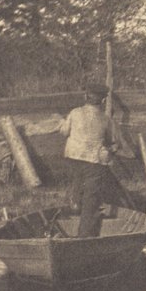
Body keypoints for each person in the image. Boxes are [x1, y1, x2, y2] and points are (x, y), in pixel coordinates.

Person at [59, 81, 122, 237]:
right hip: (94, 160)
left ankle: (74, 203)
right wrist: (112, 149)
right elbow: (113, 141)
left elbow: (64, 132)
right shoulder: (105, 119)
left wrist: (61, 124)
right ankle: (84, 235)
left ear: (85, 96)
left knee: (78, 183)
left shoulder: (74, 113)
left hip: (73, 156)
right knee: (91, 198)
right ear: (102, 101)